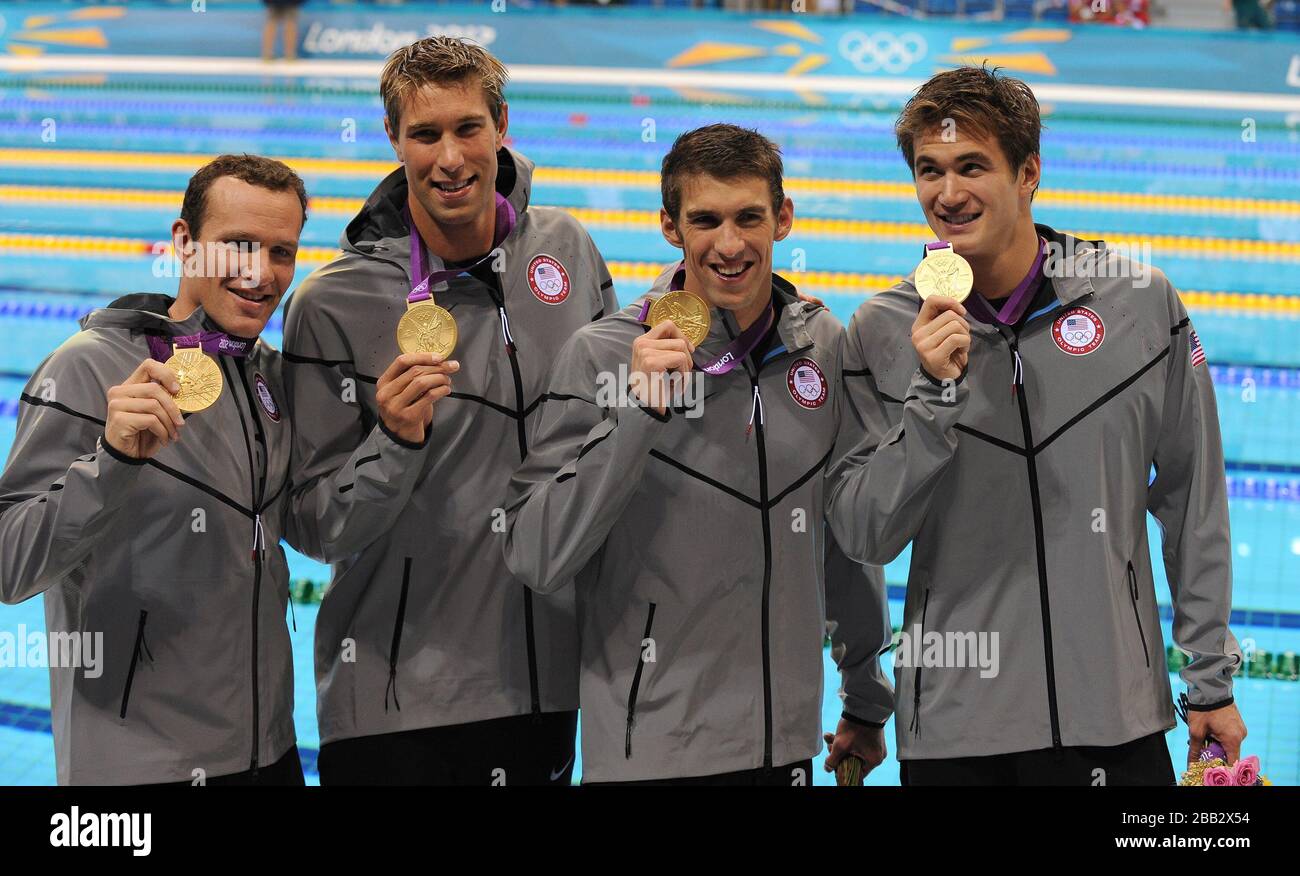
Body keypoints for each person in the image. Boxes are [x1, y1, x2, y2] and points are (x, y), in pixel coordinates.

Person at [826, 66, 1246, 785]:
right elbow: (865, 533)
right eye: (929, 171)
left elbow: (1191, 497)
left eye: (971, 167)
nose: (948, 194)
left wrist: (1211, 678)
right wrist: (932, 398)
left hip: (1114, 716)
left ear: (1029, 174)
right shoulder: (882, 331)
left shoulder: (1139, 306)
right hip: (955, 729)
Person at [503, 124, 893, 785]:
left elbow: (845, 539)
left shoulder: (821, 346)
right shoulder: (602, 355)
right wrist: (638, 416)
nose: (730, 243)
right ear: (669, 227)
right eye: (705, 220)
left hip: (783, 744)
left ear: (785, 218)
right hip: (648, 749)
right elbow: (537, 555)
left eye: (750, 217)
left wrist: (865, 696)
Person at [283, 36, 616, 786]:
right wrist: (393, 443)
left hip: (553, 686)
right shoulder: (334, 305)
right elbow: (311, 524)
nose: (450, 158)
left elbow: (606, 433)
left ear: (502, 124)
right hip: (402, 702)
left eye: (468, 128)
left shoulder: (566, 248)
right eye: (425, 134)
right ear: (394, 141)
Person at [0, 154, 311, 785]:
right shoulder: (87, 368)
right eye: (238, 246)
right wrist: (110, 463)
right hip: (136, 769)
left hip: (268, 752)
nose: (261, 273)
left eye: (282, 251)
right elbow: (8, 565)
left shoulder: (269, 377)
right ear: (184, 244)